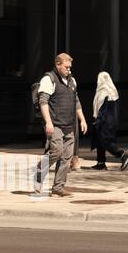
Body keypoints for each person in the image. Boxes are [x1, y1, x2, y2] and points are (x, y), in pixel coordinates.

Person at [38, 52, 89, 197]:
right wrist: (48, 122)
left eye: (70, 67)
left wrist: (82, 119)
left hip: (69, 125)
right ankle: (39, 172)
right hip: (55, 124)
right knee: (56, 151)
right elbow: (43, 101)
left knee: (67, 157)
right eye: (66, 67)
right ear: (58, 64)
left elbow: (76, 101)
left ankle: (58, 188)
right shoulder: (49, 79)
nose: (69, 70)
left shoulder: (72, 81)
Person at [90, 71, 128, 170]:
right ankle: (101, 163)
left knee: (106, 141)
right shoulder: (112, 90)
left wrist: (98, 120)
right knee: (100, 141)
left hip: (105, 122)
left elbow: (103, 109)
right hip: (111, 121)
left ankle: (122, 155)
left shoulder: (104, 91)